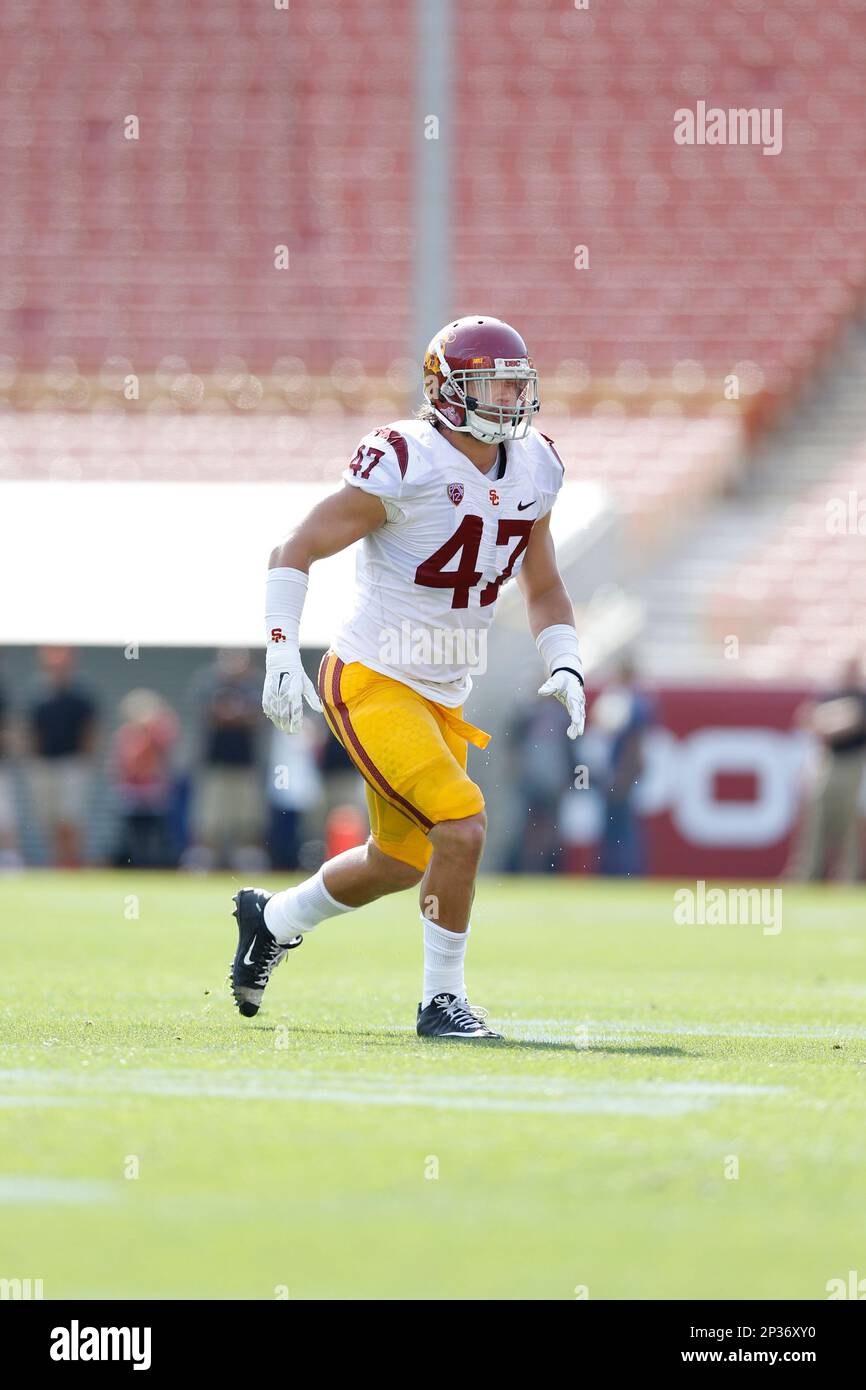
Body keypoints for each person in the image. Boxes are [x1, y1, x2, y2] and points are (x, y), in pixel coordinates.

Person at [229, 315, 586, 1040]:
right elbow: (294, 547)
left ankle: (269, 919)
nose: (511, 396)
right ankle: (440, 1002)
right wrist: (278, 650)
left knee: (398, 860)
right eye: (493, 382)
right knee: (463, 823)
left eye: (517, 381)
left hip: (444, 692)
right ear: (449, 392)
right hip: (373, 676)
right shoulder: (407, 459)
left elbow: (542, 583)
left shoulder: (535, 467)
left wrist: (566, 659)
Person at [186, 649, 266, 872]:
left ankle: (248, 863)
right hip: (216, 764)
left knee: (247, 820)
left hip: (246, 764)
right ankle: (204, 863)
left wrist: (234, 715)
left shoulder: (254, 686)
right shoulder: (210, 685)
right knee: (210, 819)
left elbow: (256, 717)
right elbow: (210, 715)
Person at [788, 656, 866, 882]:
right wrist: (833, 720)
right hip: (827, 761)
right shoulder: (829, 695)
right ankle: (809, 873)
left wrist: (827, 721)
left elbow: (852, 724)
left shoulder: (861, 697)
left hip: (854, 763)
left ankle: (849, 876)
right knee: (818, 817)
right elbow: (805, 719)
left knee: (851, 822)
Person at [25, 647, 98, 867]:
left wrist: (86, 762)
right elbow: (32, 733)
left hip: (72, 765)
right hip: (44, 765)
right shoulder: (38, 694)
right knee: (50, 822)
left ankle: (73, 864)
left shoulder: (81, 695)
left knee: (70, 820)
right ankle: (58, 865)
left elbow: (90, 732)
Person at [111, 689, 180, 869]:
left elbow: (169, 740)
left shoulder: (158, 734)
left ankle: (159, 864)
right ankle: (136, 864)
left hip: (154, 791)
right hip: (133, 791)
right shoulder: (126, 734)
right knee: (134, 833)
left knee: (158, 832)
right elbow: (124, 763)